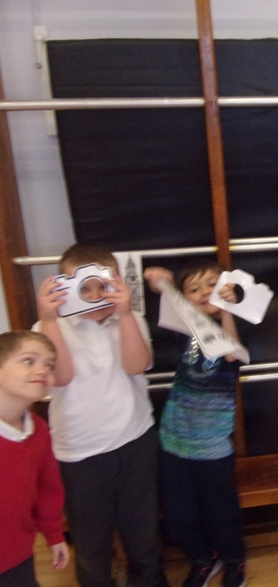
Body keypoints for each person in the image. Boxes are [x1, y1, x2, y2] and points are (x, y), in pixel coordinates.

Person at [34, 243, 163, 587]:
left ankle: (149, 581)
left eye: (102, 287)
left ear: (116, 283)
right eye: (83, 289)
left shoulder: (130, 319)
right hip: (80, 452)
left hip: (134, 439)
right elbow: (61, 377)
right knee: (90, 537)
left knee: (142, 528)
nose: (94, 297)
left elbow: (136, 365)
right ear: (63, 288)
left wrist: (125, 314)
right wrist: (49, 320)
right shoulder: (48, 326)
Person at [144, 261, 247, 587]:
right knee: (179, 515)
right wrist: (162, 282)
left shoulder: (231, 330)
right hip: (173, 442)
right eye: (194, 289)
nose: (204, 292)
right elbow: (165, 296)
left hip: (212, 448)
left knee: (221, 512)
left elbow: (232, 354)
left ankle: (234, 559)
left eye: (212, 285)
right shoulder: (185, 331)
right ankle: (203, 559)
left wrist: (227, 310)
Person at [0, 331, 69, 587]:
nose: (42, 370)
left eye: (49, 365)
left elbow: (47, 489)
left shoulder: (38, 431)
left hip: (18, 558)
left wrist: (54, 534)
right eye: (29, 360)